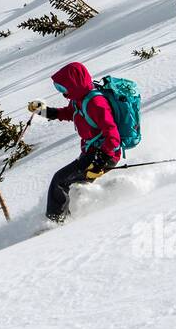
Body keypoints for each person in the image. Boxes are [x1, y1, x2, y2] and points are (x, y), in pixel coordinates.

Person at [28, 62, 122, 223]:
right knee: (75, 185)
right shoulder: (79, 99)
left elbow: (113, 135)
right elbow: (70, 113)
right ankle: (75, 217)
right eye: (59, 89)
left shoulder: (95, 103)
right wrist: (44, 111)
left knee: (59, 181)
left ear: (75, 84)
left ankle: (55, 223)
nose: (63, 93)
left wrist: (101, 161)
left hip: (102, 155)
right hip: (91, 152)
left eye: (63, 89)